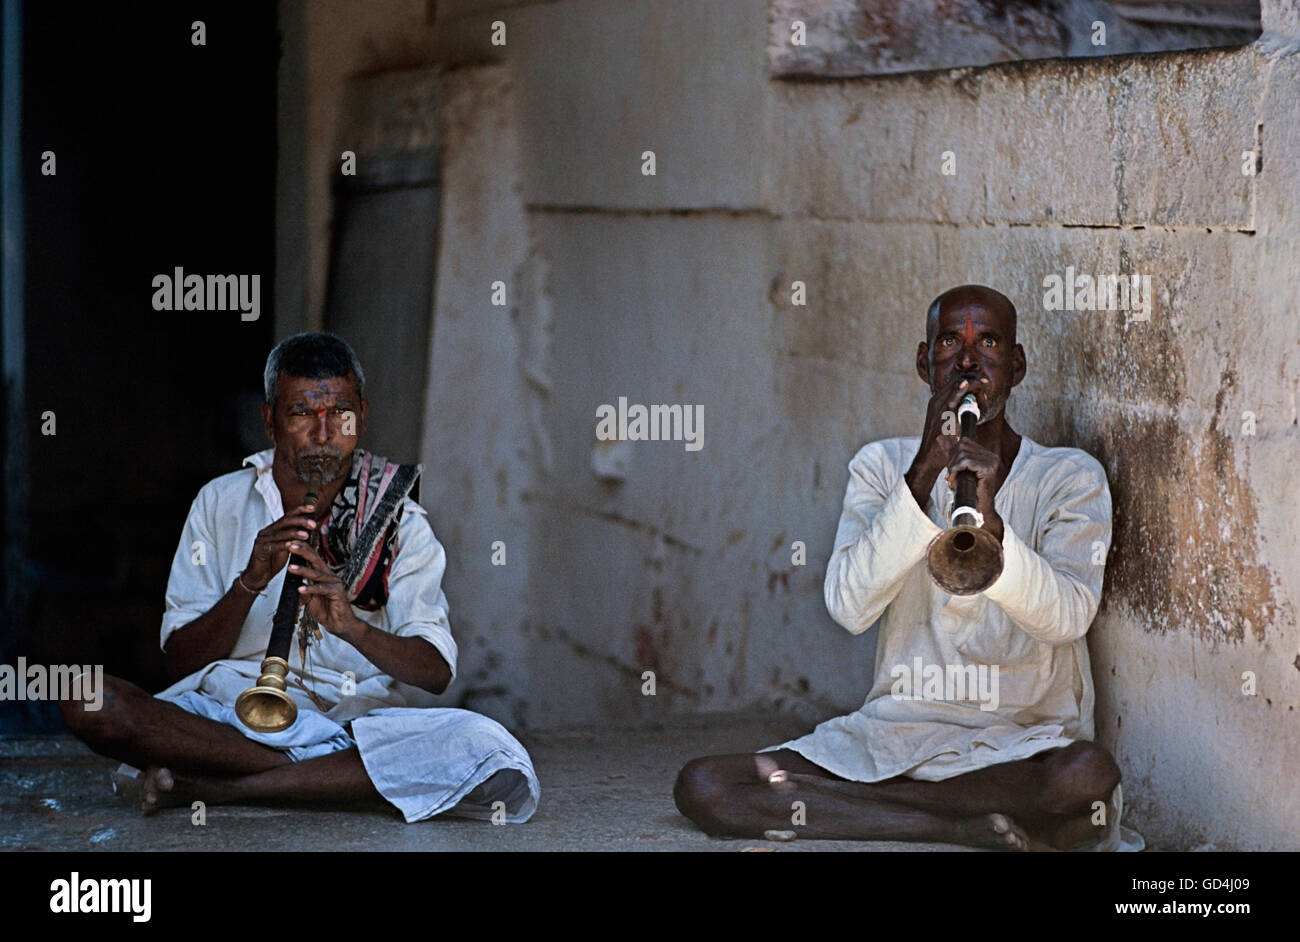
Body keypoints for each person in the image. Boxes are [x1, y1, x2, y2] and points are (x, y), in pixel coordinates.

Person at [674, 285, 1141, 851]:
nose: (968, 361)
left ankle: (874, 814)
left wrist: (993, 528)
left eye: (988, 342)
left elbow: (1068, 617)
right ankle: (950, 826)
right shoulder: (881, 467)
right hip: (894, 738)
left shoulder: (1069, 476)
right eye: (950, 342)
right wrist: (922, 470)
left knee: (1085, 778)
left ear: (1015, 364)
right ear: (926, 364)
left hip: (1018, 745)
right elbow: (848, 607)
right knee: (706, 784)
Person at [60, 332, 539, 823]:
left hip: (354, 729)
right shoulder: (220, 503)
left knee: (482, 745)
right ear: (270, 421)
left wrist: (352, 627)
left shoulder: (401, 521)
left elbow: (435, 673)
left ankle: (222, 790)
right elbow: (181, 665)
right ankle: (322, 782)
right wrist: (249, 582)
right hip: (228, 723)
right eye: (302, 413)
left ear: (363, 417)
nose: (325, 432)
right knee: (92, 703)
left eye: (341, 413)